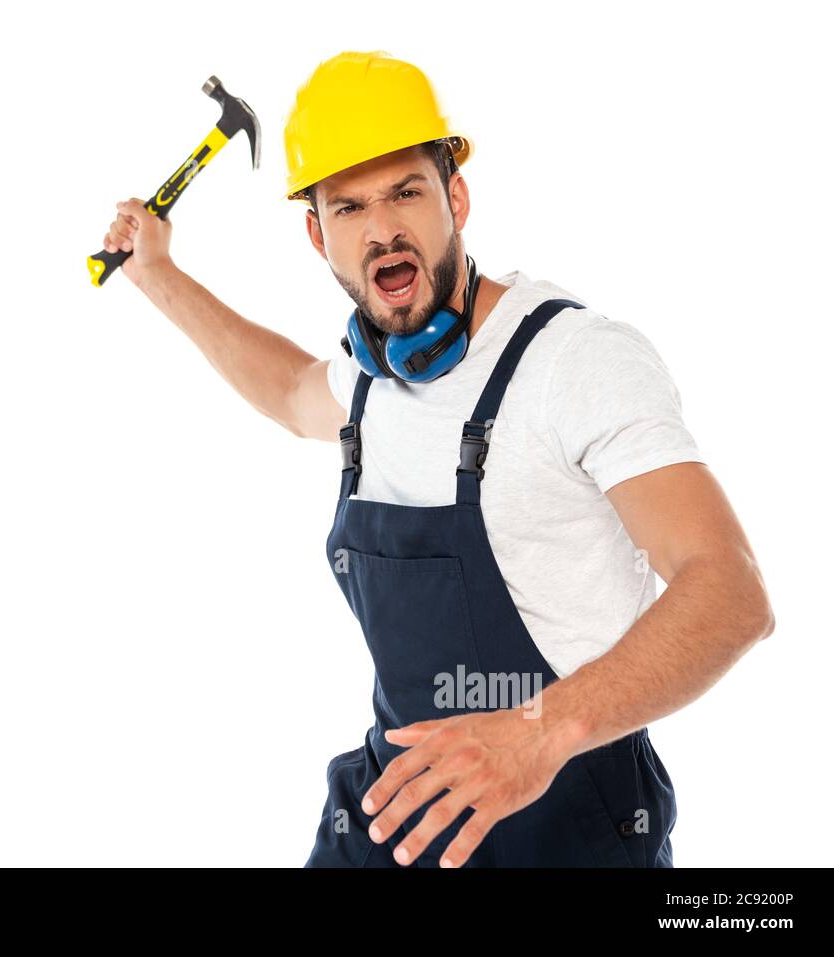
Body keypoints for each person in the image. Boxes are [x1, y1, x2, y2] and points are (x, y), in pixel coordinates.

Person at [97, 50, 774, 867]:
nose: (381, 228)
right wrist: (157, 273)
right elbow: (288, 390)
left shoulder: (574, 361)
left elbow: (732, 590)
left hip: (565, 830)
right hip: (392, 815)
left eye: (406, 192)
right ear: (318, 235)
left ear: (455, 197)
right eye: (348, 208)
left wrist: (537, 733)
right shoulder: (373, 376)